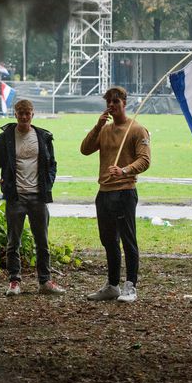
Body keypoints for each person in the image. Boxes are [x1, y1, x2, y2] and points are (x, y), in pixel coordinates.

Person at [80, 86, 150, 303]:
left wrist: (124, 170)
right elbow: (85, 149)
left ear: (124, 103)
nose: (111, 106)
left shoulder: (137, 129)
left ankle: (131, 286)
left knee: (128, 240)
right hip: (104, 192)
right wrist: (98, 125)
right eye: (108, 102)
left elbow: (145, 160)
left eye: (115, 102)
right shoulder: (105, 129)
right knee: (108, 240)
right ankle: (112, 285)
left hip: (125, 192)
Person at [0, 99, 62, 296]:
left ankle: (45, 281)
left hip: (38, 197)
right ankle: (14, 281)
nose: (24, 116)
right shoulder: (5, 138)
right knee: (13, 242)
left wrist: (48, 183)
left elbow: (52, 164)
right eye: (20, 113)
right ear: (15, 114)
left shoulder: (43, 137)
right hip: (15, 197)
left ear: (33, 114)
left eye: (27, 113)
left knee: (42, 242)